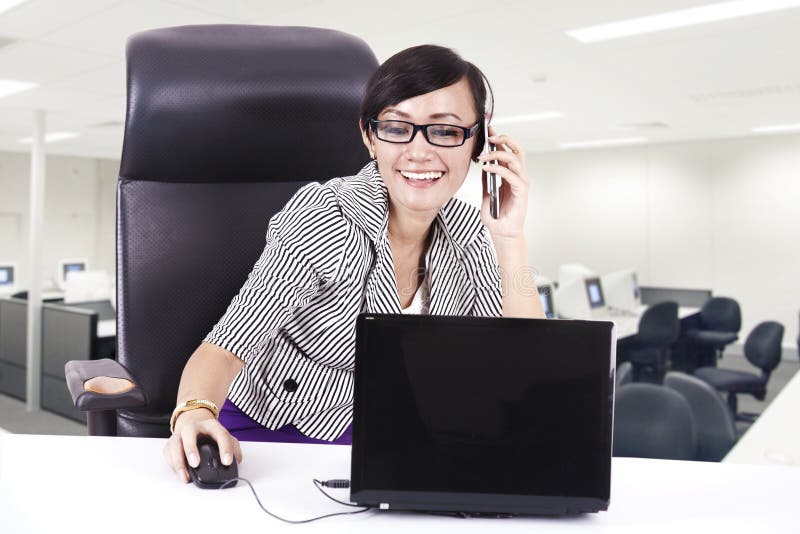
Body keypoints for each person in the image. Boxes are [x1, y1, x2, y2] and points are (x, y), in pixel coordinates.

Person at [163, 44, 544, 483]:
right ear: (369, 136)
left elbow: (524, 361)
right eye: (397, 128)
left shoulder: (468, 232)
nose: (419, 152)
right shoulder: (326, 216)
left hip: (388, 437)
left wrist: (510, 238)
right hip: (270, 435)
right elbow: (229, 343)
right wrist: (194, 411)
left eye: (444, 130)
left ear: (478, 141)